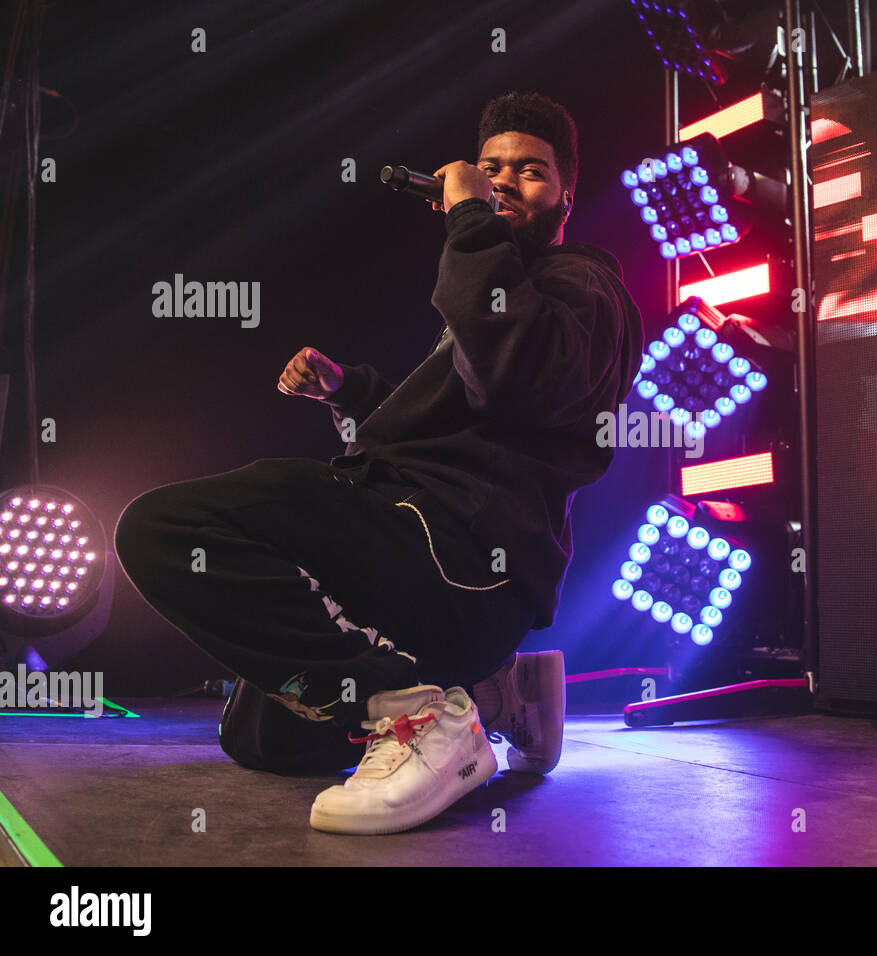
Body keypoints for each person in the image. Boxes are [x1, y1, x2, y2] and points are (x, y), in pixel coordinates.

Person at [112, 91, 645, 835]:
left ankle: (421, 711)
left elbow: (516, 380)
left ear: (566, 195)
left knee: (165, 526)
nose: (501, 182)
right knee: (265, 739)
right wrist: (350, 391)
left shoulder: (585, 287)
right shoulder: (494, 291)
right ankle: (493, 691)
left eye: (530, 172)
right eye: (490, 168)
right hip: (415, 546)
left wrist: (468, 220)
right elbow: (446, 434)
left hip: (461, 561)